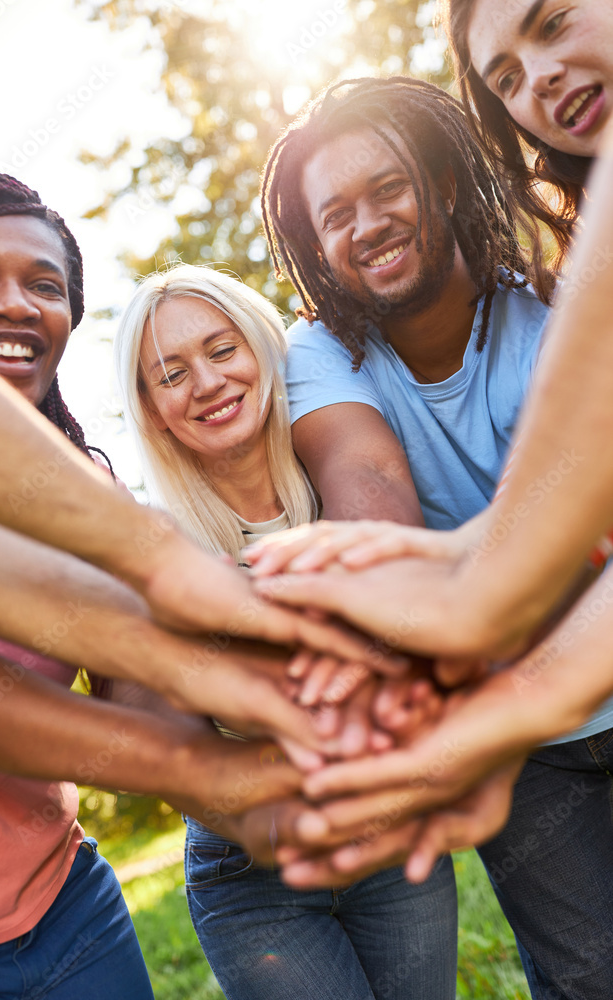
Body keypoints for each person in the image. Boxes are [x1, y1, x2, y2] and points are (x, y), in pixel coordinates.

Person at [247, 76, 613, 1000]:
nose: (366, 225)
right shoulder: (320, 356)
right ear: (315, 244)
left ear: (444, 183)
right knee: (588, 975)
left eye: (388, 189)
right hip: (512, 735)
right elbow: (370, 496)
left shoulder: (554, 293)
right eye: (335, 214)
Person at [0, 173, 331, 999]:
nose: (14, 304)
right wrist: (202, 768)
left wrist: (258, 772)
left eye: (44, 286)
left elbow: (129, 679)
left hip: (70, 910)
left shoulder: (84, 483)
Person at [113, 263, 458, 1000]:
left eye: (222, 350)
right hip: (253, 870)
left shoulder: (347, 480)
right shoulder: (154, 540)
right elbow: (158, 724)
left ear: (264, 348)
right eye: (171, 374)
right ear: (152, 408)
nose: (207, 383)